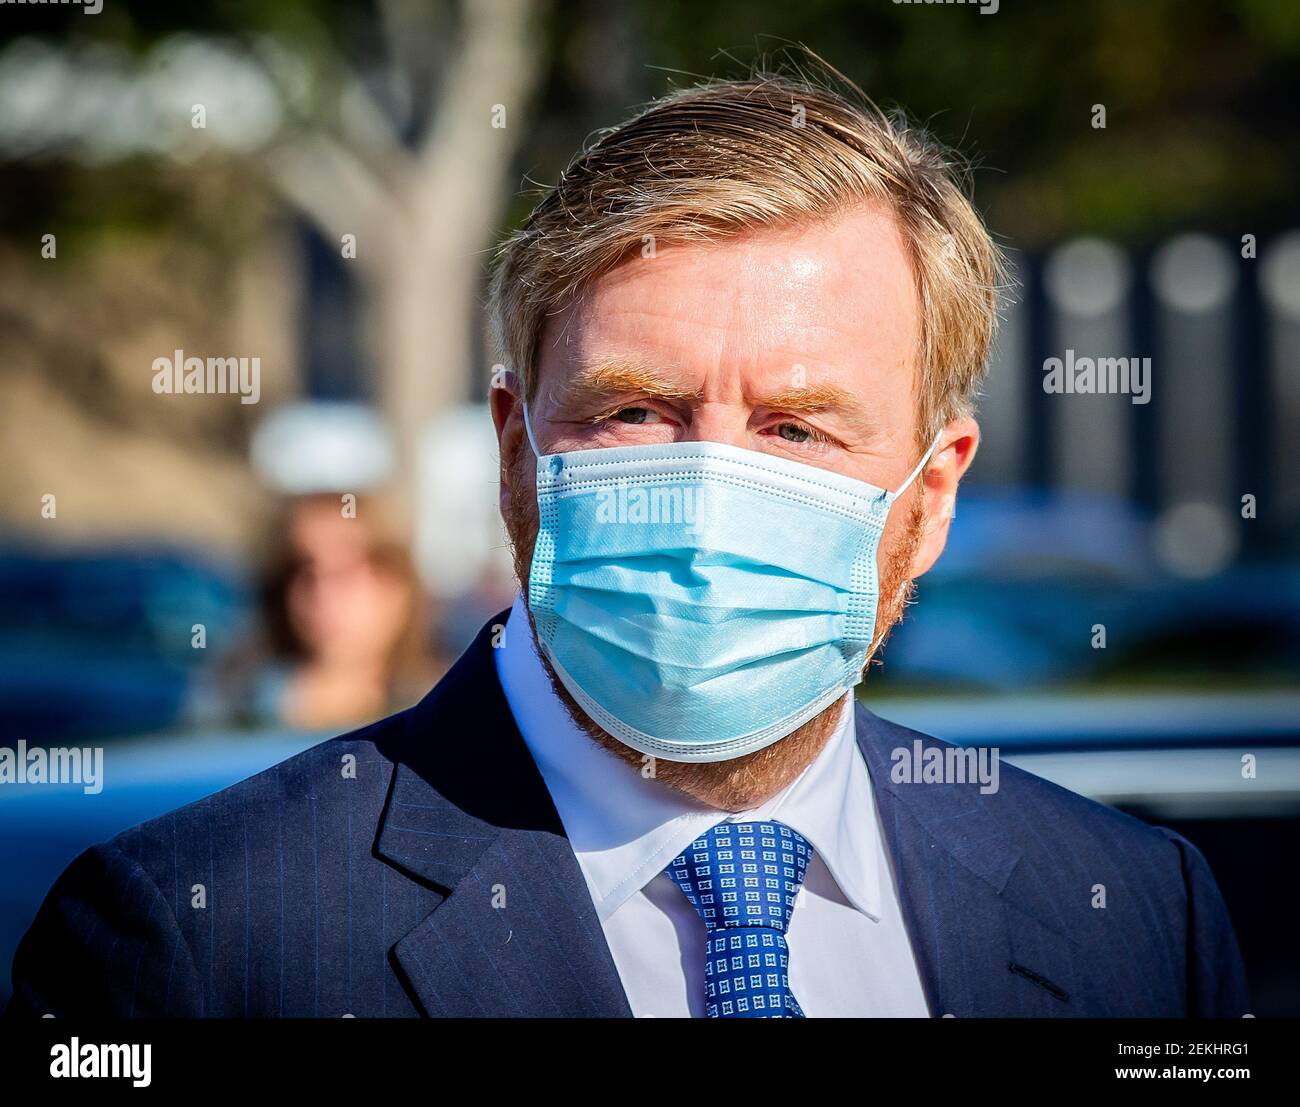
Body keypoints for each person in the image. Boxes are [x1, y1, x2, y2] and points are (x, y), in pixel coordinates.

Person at [5, 69, 1248, 1018]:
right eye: (632, 412)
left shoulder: (1134, 912)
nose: (712, 492)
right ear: (513, 453)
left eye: (799, 427)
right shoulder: (197, 941)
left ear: (930, 501)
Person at [186, 492, 442, 732]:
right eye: (304, 571)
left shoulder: (450, 708)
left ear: (397, 586)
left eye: (344, 572)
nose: (321, 593)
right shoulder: (227, 711)